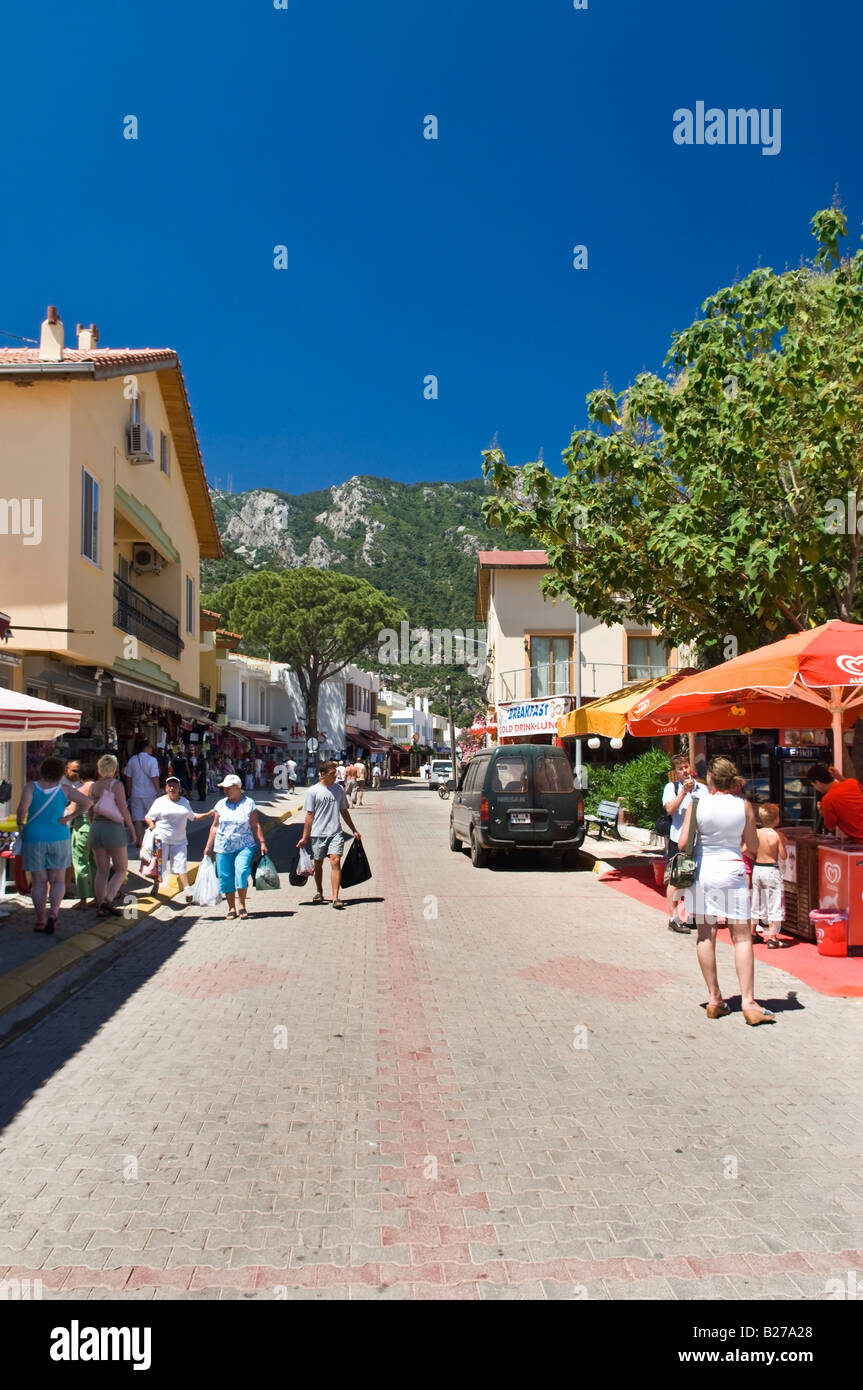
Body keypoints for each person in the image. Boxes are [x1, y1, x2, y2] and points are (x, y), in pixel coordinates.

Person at [678, 755, 774, 1025]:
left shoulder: (698, 803)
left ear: (710, 778)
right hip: (732, 871)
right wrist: (734, 850)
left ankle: (714, 998)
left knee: (706, 935)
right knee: (742, 937)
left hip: (703, 871)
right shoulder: (743, 805)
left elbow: (684, 841)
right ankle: (749, 1003)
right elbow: (753, 846)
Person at [17, 756, 92, 935]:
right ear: (60, 773)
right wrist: (69, 818)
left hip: (34, 837)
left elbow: (22, 810)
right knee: (58, 879)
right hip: (59, 835)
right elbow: (87, 803)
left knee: (39, 881)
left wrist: (21, 826)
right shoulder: (65, 789)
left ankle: (41, 920)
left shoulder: (31, 787)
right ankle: (54, 914)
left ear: (42, 771)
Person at [297, 760, 361, 911]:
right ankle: (319, 891)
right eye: (332, 774)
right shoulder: (313, 791)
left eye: (336, 773)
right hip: (318, 833)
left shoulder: (339, 789)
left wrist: (354, 830)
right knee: (317, 863)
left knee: (335, 860)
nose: (335, 776)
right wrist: (304, 837)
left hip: (335, 833)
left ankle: (335, 897)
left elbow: (344, 811)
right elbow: (309, 815)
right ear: (323, 774)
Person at [203, 774, 267, 920]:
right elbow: (215, 826)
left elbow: (255, 824)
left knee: (242, 871)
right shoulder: (220, 804)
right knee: (225, 877)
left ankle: (242, 904)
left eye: (228, 788)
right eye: (224, 788)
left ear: (237, 788)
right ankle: (231, 907)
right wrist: (208, 846)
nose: (225, 790)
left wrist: (262, 842)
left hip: (244, 845)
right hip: (222, 847)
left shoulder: (249, 803)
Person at [145, 776, 215, 902]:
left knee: (181, 865)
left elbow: (193, 817)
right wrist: (151, 824)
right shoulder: (159, 801)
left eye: (174, 785)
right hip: (162, 839)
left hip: (180, 840)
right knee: (159, 866)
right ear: (166, 788)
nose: (172, 788)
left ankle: (188, 892)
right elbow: (149, 817)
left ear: (179, 788)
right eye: (169, 785)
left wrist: (208, 814)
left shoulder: (184, 802)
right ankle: (156, 885)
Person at [662, 753, 708, 934]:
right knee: (677, 879)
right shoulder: (671, 788)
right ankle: (673, 917)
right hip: (678, 840)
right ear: (675, 772)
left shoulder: (702, 789)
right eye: (680, 769)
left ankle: (693, 915)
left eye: (686, 767)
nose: (684, 771)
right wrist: (683, 792)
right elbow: (670, 809)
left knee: (695, 879)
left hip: (699, 841)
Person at [89, 754, 137, 918]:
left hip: (96, 828)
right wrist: (131, 828)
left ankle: (100, 904)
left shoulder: (94, 786)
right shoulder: (117, 785)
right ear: (115, 769)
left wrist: (92, 825)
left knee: (101, 871)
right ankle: (107, 901)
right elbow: (123, 808)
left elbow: (90, 810)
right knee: (121, 868)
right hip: (113, 828)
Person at [751, 803, 787, 948]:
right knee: (775, 902)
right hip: (771, 869)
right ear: (776, 819)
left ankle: (752, 932)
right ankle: (773, 937)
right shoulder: (776, 835)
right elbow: (783, 856)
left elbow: (746, 849)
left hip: (757, 868)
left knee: (756, 901)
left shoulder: (757, 833)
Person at [65, 757, 96, 909]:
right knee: (96, 864)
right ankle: (98, 897)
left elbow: (71, 811)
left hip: (82, 830)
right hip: (98, 830)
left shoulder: (80, 790)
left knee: (81, 864)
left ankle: (83, 899)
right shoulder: (101, 788)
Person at [806, 763, 863, 840]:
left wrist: (823, 813)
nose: (815, 788)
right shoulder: (852, 783)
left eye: (814, 785)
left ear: (818, 782)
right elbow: (853, 786)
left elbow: (830, 827)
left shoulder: (827, 799)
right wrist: (839, 777)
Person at [124, 741, 160, 849]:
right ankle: (154, 841)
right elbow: (154, 777)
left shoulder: (132, 760)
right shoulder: (152, 760)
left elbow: (128, 778)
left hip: (136, 794)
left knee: (138, 819)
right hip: (150, 793)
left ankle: (140, 842)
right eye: (151, 747)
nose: (152, 749)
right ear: (147, 747)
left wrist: (129, 792)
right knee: (153, 818)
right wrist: (158, 792)